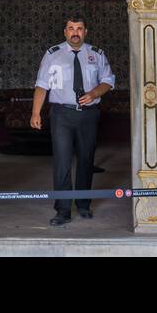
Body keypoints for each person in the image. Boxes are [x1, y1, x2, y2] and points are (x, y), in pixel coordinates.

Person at [30, 14, 115, 226]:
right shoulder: (53, 54)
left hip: (88, 114)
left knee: (86, 160)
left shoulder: (97, 54)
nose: (75, 32)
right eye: (71, 28)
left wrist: (95, 93)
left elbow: (108, 81)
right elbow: (42, 85)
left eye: (79, 28)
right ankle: (63, 210)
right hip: (62, 114)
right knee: (62, 162)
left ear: (85, 32)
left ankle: (84, 205)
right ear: (65, 32)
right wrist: (35, 112)